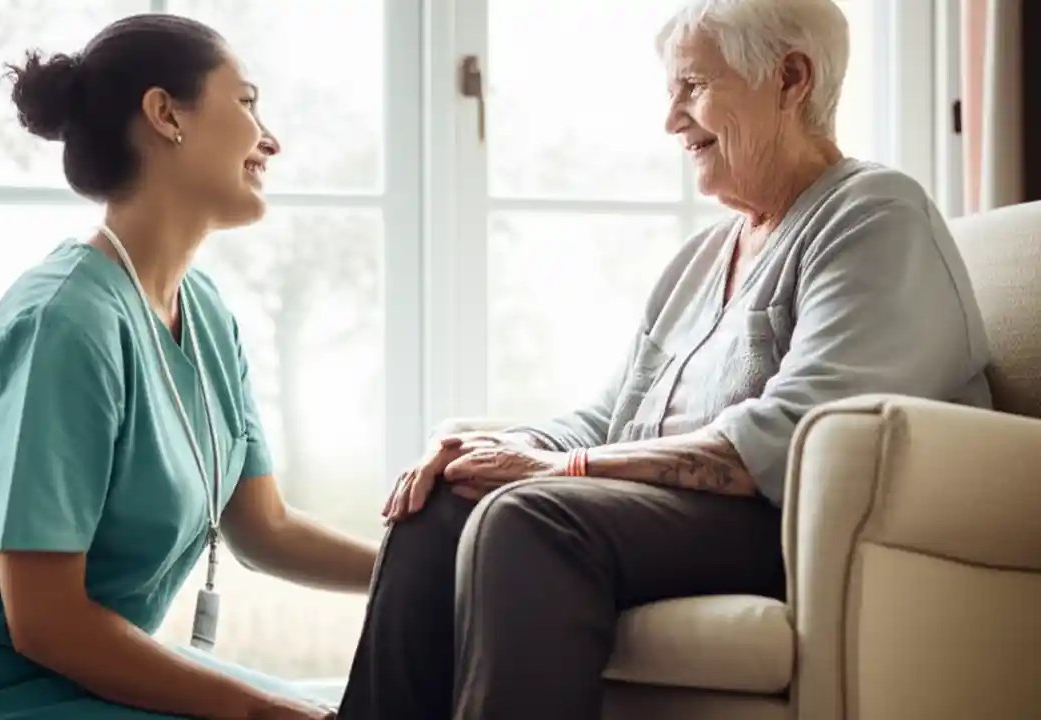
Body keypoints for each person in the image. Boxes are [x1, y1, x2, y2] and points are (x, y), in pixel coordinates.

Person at [337, 0, 993, 718]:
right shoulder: (704, 256)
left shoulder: (873, 213)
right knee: (438, 508)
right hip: (667, 514)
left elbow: (793, 435)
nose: (671, 120)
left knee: (534, 518)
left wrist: (565, 470)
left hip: (787, 524)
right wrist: (504, 448)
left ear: (791, 78)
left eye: (693, 87)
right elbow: (610, 415)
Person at [0, 14, 376, 720]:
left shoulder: (205, 314)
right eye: (247, 102)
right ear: (167, 114)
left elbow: (264, 527)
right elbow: (44, 621)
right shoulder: (63, 324)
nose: (270, 138)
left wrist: (424, 574)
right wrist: (260, 713)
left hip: (75, 671)